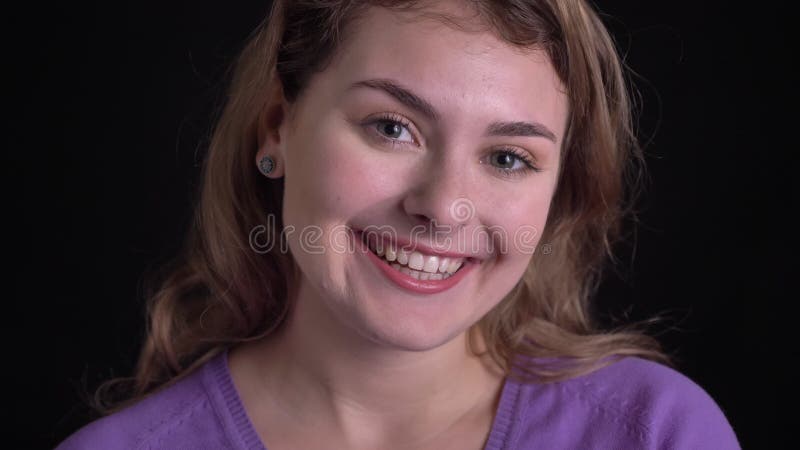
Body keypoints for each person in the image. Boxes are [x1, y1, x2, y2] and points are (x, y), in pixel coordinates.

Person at [56, 0, 740, 448]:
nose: (443, 207)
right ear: (277, 127)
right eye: (392, 127)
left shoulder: (656, 434)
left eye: (508, 157)